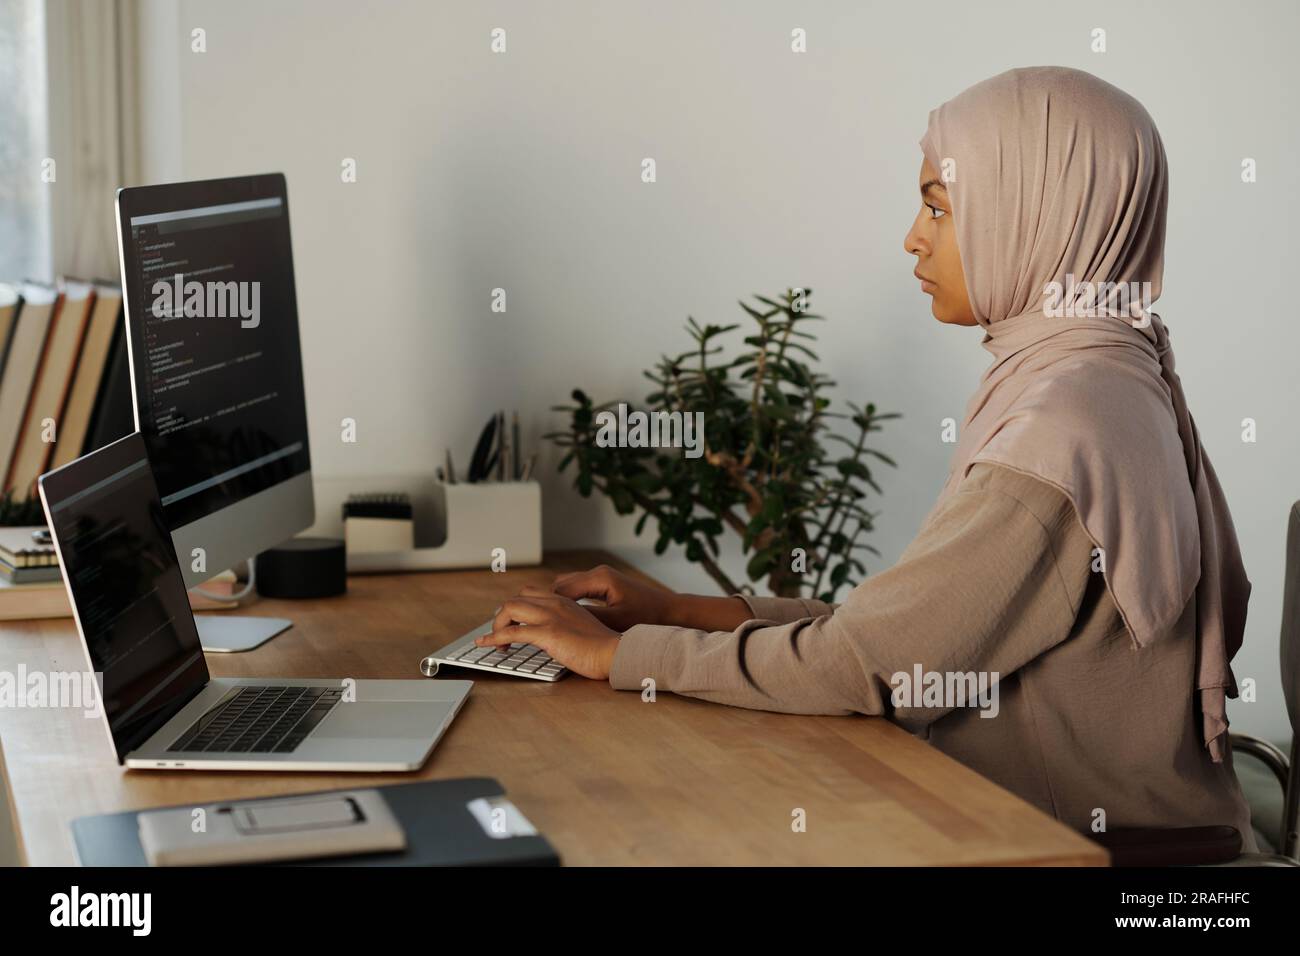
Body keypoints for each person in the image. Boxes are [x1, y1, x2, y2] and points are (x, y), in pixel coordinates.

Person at [479, 66, 1256, 844]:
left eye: (938, 206)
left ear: (1034, 213)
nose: (913, 237)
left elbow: (868, 665)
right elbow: (900, 635)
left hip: (1087, 859)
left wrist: (621, 657)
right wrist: (672, 610)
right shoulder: (1105, 373)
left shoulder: (1069, 426)